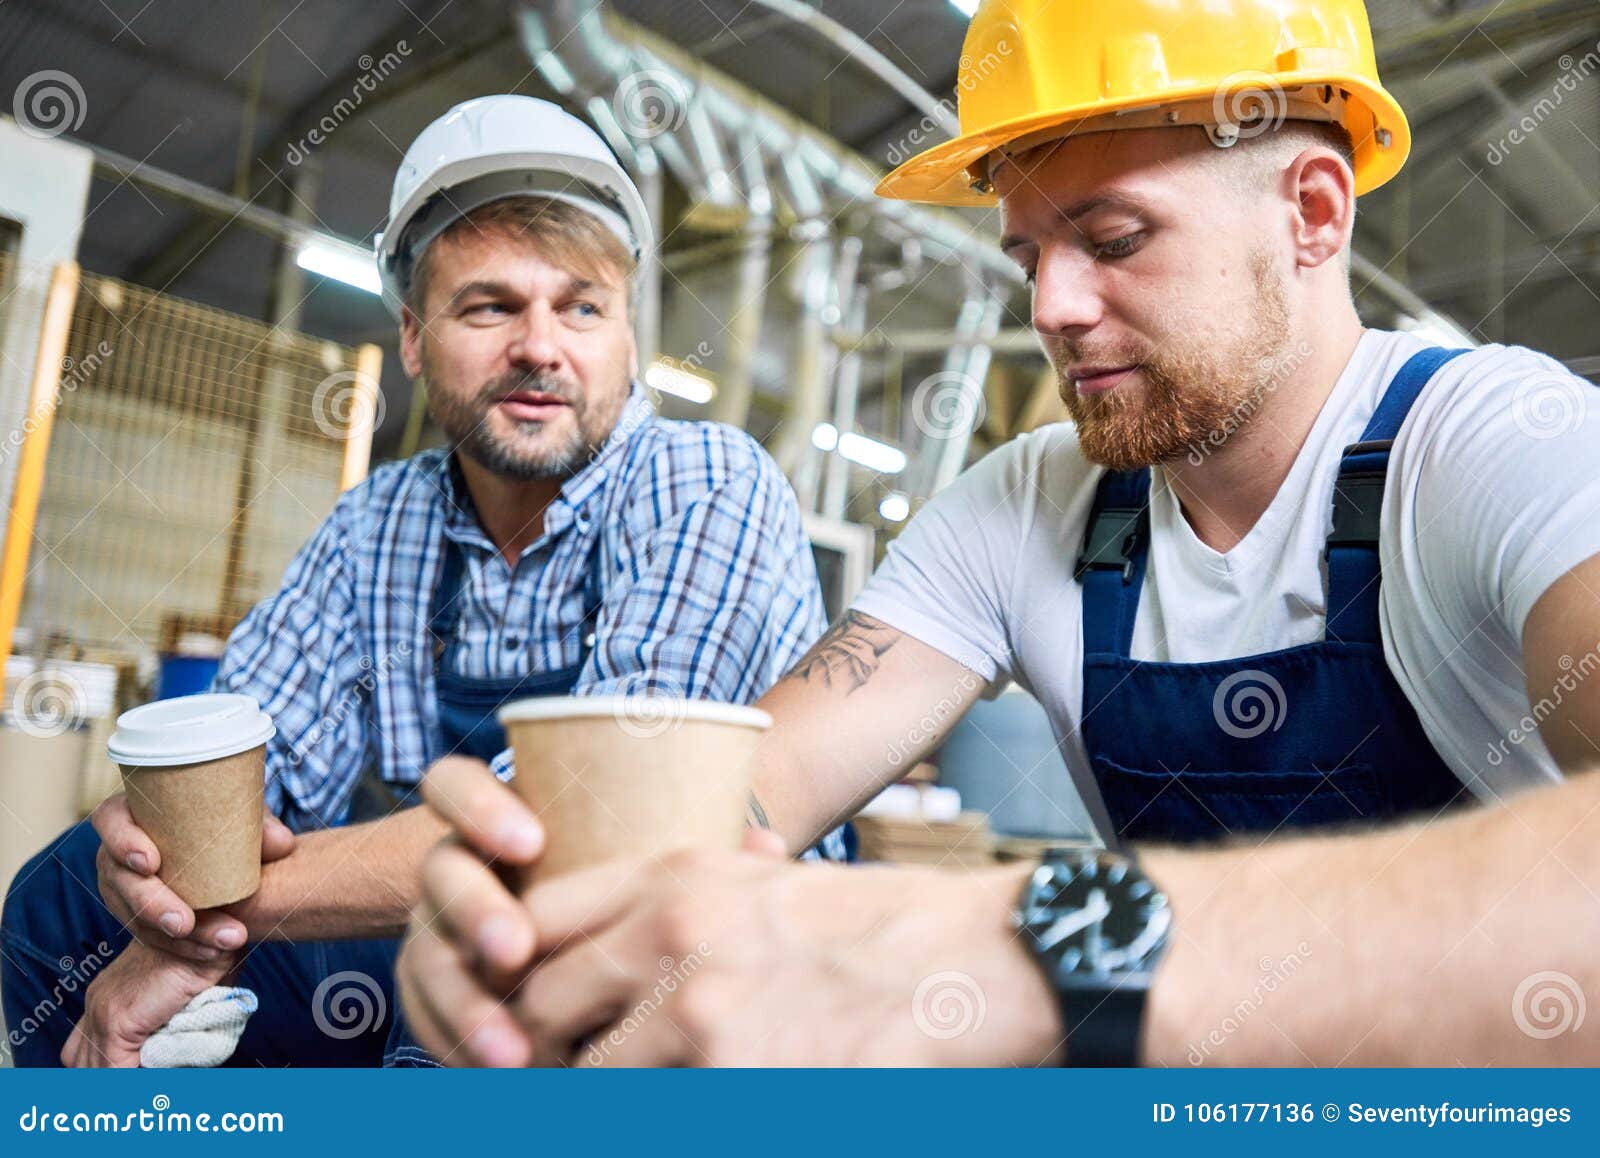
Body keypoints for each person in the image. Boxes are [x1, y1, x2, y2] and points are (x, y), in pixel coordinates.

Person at [394, 0, 1600, 1067]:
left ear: (1312, 212)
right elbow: (756, 789)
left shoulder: (1499, 443)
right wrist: (549, 906)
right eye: (1028, 254)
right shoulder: (1031, 504)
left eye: (1115, 239)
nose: (1050, 308)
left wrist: (1026, 952)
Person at [0, 95, 833, 1068]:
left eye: (581, 307)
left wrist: (206, 915)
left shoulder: (705, 483)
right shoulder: (381, 520)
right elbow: (251, 765)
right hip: (456, 905)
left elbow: (592, 831)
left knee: (478, 993)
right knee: (62, 899)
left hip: (695, 950)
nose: (540, 346)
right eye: (489, 305)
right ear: (410, 335)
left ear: (627, 340)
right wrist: (163, 863)